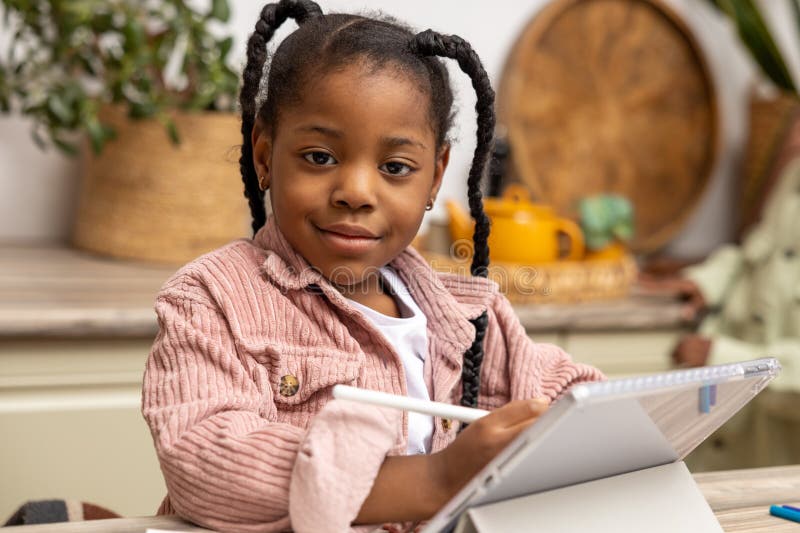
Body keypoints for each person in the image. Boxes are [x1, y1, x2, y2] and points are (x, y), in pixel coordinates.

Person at [141, 2, 604, 531]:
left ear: (435, 178)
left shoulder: (467, 315)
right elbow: (206, 463)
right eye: (320, 156)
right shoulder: (210, 300)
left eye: (395, 168)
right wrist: (435, 480)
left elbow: (558, 389)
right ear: (265, 154)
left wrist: (608, 421)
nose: (357, 192)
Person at [644, 156, 800, 470]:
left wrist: (725, 359)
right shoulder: (794, 173)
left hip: (782, 456)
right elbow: (753, 255)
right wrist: (707, 281)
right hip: (733, 434)